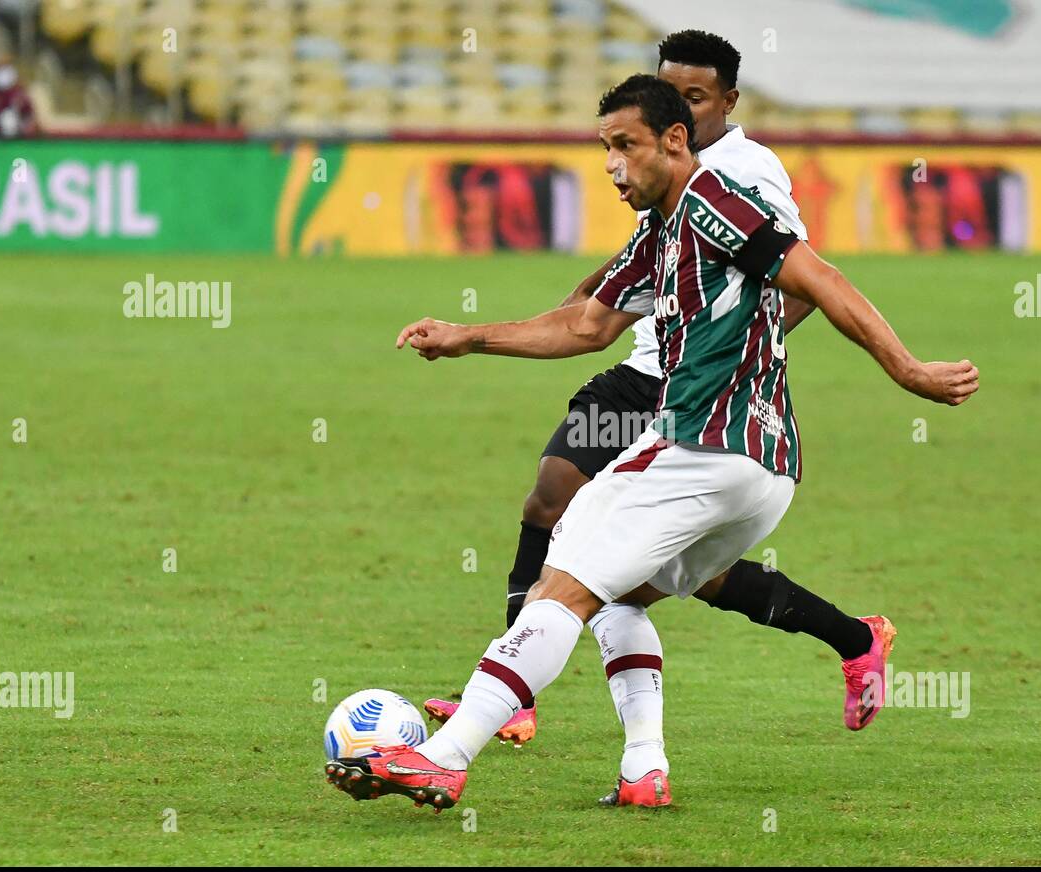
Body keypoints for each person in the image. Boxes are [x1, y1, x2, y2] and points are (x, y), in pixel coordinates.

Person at [325, 75, 979, 812]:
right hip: (766, 474)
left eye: (625, 146)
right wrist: (468, 337)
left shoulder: (714, 203)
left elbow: (817, 275)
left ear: (674, 141)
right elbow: (585, 326)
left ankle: (443, 758)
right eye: (605, 148)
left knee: (560, 577)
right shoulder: (659, 231)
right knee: (615, 597)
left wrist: (908, 369)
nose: (611, 165)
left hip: (701, 442)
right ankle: (645, 770)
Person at [425, 30, 888, 757]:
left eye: (696, 98)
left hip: (695, 399)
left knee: (610, 565)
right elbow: (590, 316)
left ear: (723, 104)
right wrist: (473, 334)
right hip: (644, 377)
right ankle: (536, 706)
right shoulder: (659, 188)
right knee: (555, 505)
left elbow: (802, 274)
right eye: (669, 90)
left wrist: (746, 353)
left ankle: (486, 722)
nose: (681, 108)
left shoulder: (740, 174)